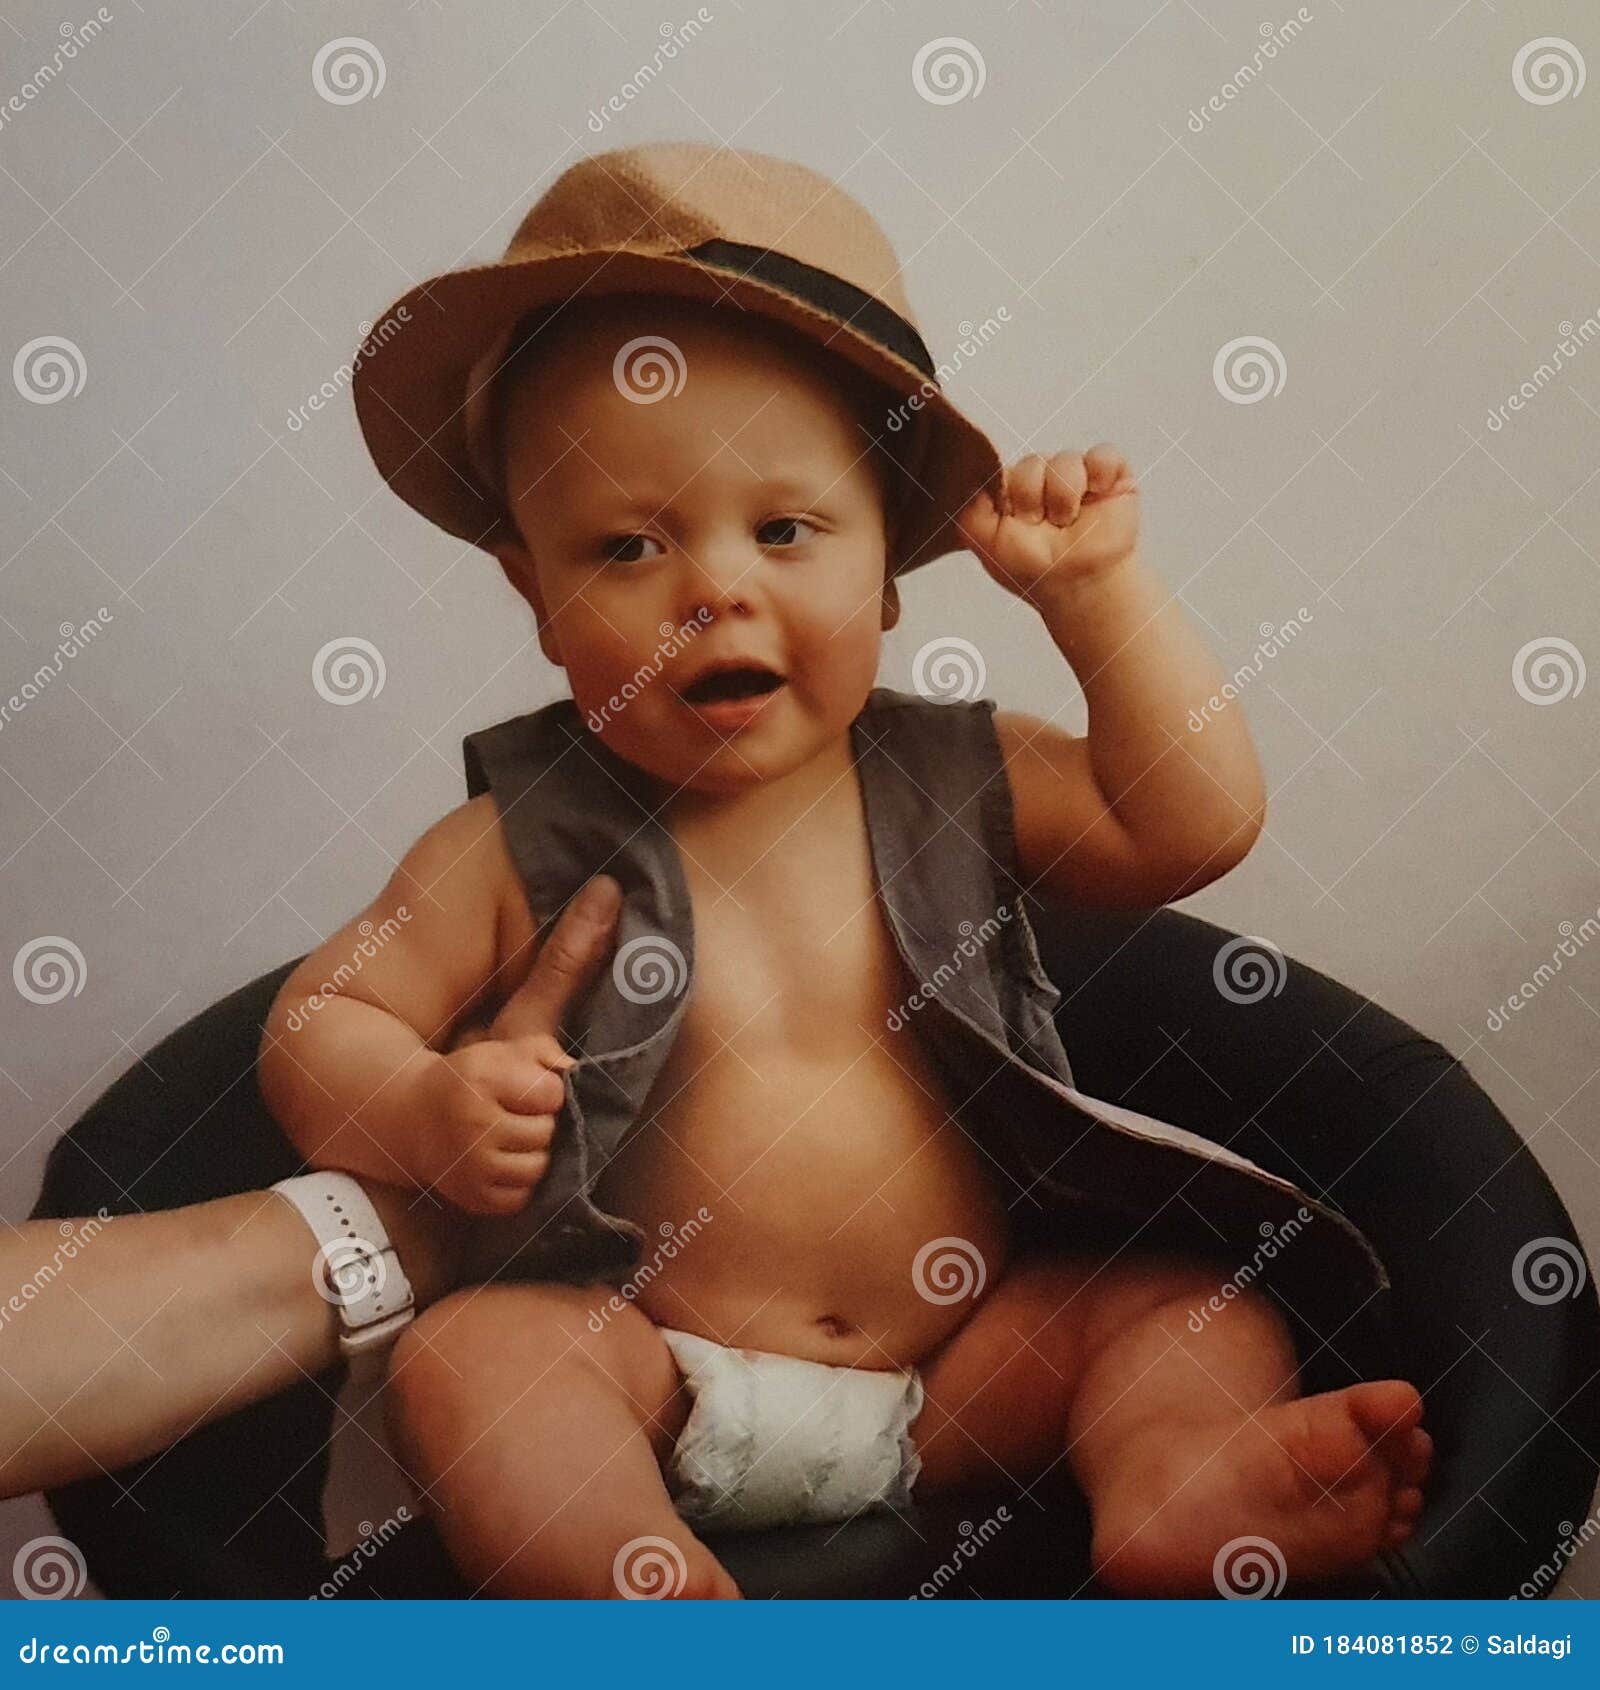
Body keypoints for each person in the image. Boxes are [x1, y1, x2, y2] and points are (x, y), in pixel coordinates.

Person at [255, 142, 1430, 1599]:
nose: (715, 589)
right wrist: (423, 1106)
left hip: (963, 1364)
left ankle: (1178, 1479)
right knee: (473, 1364)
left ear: (886, 565)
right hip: (650, 1369)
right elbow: (315, 1020)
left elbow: (1191, 821)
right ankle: (642, 1579)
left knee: (1181, 1303)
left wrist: (1097, 598)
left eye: (788, 528)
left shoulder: (956, 774)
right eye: (626, 545)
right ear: (536, 595)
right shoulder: (514, 839)